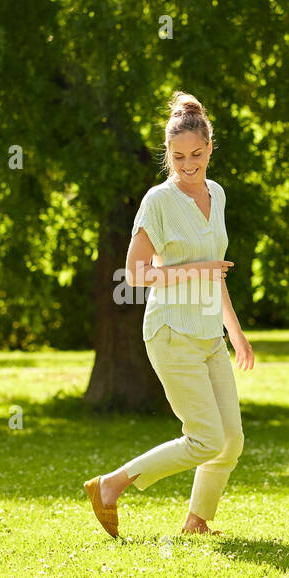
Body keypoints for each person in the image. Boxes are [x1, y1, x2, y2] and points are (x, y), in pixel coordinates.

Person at [84, 92, 254, 537]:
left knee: (230, 439)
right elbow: (136, 275)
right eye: (178, 156)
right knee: (205, 438)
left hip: (208, 333)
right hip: (171, 331)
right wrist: (194, 270)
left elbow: (218, 272)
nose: (188, 164)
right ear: (168, 154)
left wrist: (235, 333)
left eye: (196, 154)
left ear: (210, 148)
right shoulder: (158, 201)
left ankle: (197, 522)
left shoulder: (216, 195)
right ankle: (110, 485)